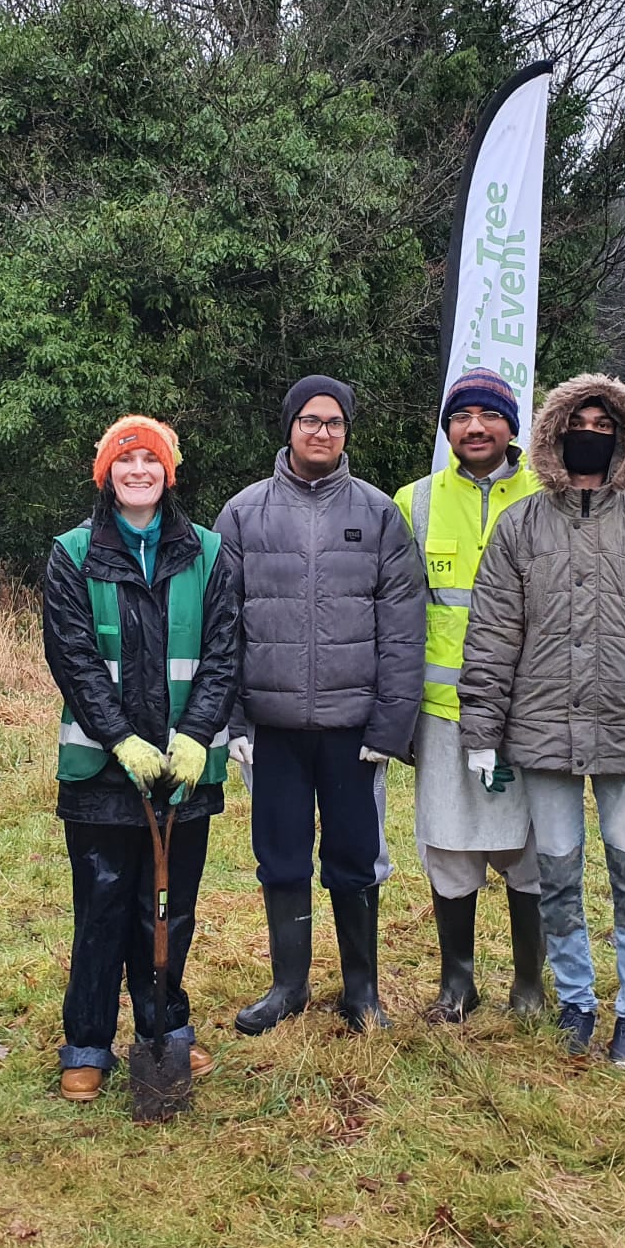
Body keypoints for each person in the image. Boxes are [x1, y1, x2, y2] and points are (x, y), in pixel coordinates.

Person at [457, 375, 625, 1069]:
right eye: (579, 420)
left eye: (604, 421)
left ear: (624, 436)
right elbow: (493, 633)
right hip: (543, 732)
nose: (589, 431)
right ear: (556, 431)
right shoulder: (522, 524)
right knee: (557, 875)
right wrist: (483, 733)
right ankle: (576, 1001)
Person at [41, 416, 243, 1100]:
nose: (137, 471)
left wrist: (195, 734)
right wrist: (117, 737)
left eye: (149, 461)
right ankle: (87, 1043)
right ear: (106, 475)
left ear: (168, 474)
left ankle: (166, 1032)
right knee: (101, 904)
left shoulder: (211, 553)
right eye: (124, 462)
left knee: (168, 908)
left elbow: (224, 651)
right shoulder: (72, 554)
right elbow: (73, 658)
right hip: (103, 771)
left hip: (185, 770)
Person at [217, 375, 425, 1035]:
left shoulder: (378, 513)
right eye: (310, 420)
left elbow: (403, 624)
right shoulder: (244, 514)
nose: (322, 432)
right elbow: (220, 623)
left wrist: (391, 722)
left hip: (353, 728)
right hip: (272, 729)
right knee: (279, 856)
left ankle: (362, 992)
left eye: (334, 422)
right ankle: (288, 986)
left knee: (355, 857)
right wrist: (233, 718)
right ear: (289, 427)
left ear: (346, 433)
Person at [392, 369, 547, 1021]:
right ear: (447, 427)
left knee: (534, 851)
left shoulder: (552, 494)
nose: (475, 427)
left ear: (513, 426)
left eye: (489, 415)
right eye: (462, 416)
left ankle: (530, 985)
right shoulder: (415, 501)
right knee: (450, 848)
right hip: (444, 715)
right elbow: (395, 615)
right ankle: (458, 984)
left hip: (532, 715)